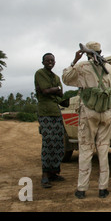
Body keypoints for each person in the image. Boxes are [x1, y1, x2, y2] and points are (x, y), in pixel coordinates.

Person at [62, 41, 111, 199]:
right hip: (106, 112)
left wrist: (74, 61)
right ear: (100, 51)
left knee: (86, 150)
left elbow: (66, 79)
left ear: (86, 53)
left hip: (89, 113)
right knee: (103, 151)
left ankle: (82, 189)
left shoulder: (82, 67)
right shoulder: (109, 68)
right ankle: (103, 189)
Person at [34, 53, 66, 189]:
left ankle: (54, 172)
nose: (50, 62)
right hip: (45, 112)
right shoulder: (39, 73)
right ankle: (45, 175)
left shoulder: (56, 77)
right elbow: (45, 91)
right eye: (47, 60)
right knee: (48, 142)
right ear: (43, 62)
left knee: (59, 141)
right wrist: (54, 89)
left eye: (52, 60)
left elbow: (60, 93)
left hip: (56, 111)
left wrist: (52, 90)